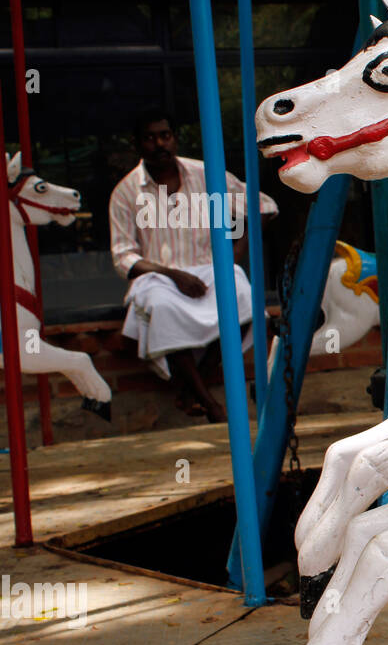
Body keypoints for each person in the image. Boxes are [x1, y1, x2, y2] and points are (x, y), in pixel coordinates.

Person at [109, 109, 278, 423]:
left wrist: (232, 256)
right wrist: (173, 275)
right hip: (158, 275)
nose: (159, 144)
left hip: (210, 268)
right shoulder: (126, 191)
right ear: (137, 145)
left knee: (242, 296)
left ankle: (192, 387)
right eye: (149, 138)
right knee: (162, 306)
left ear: (174, 138)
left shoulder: (205, 174)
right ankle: (209, 403)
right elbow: (123, 257)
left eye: (165, 135)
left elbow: (263, 206)